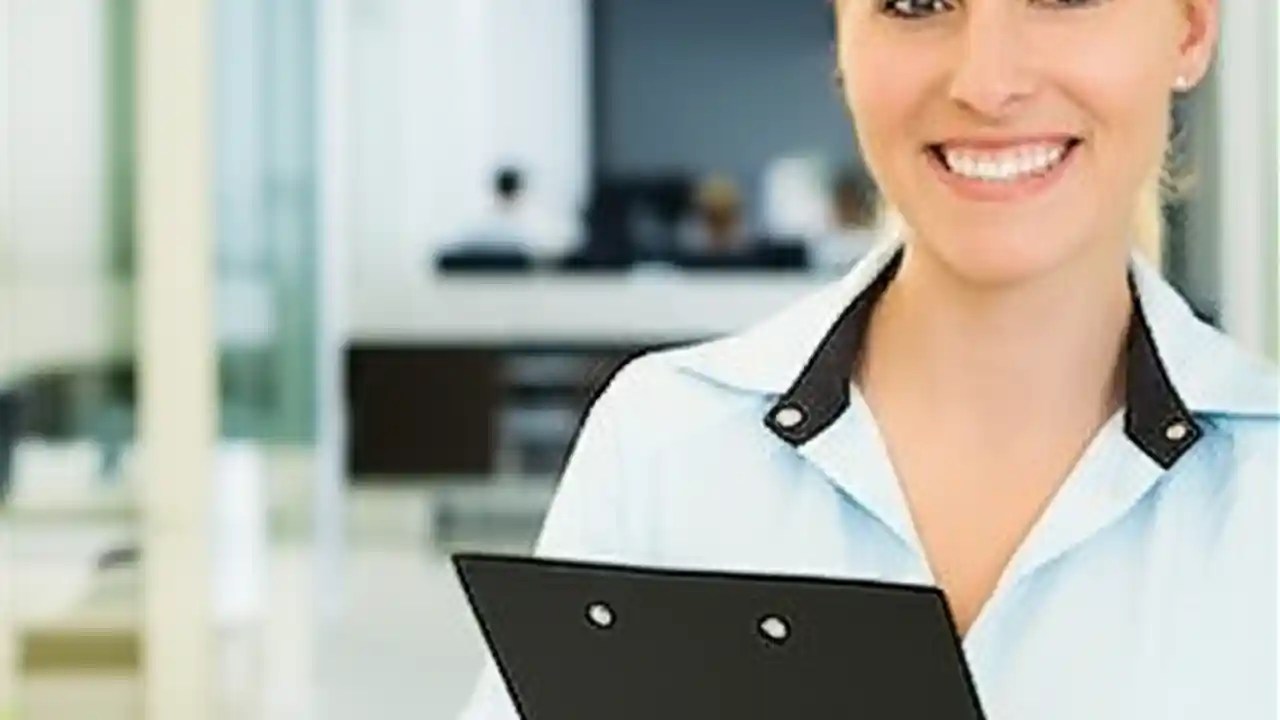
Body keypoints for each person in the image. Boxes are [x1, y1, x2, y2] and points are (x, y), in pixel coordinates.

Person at [459, 1, 1276, 717]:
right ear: (843, 45)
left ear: (1191, 27)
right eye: (915, 2)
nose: (987, 84)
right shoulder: (667, 445)